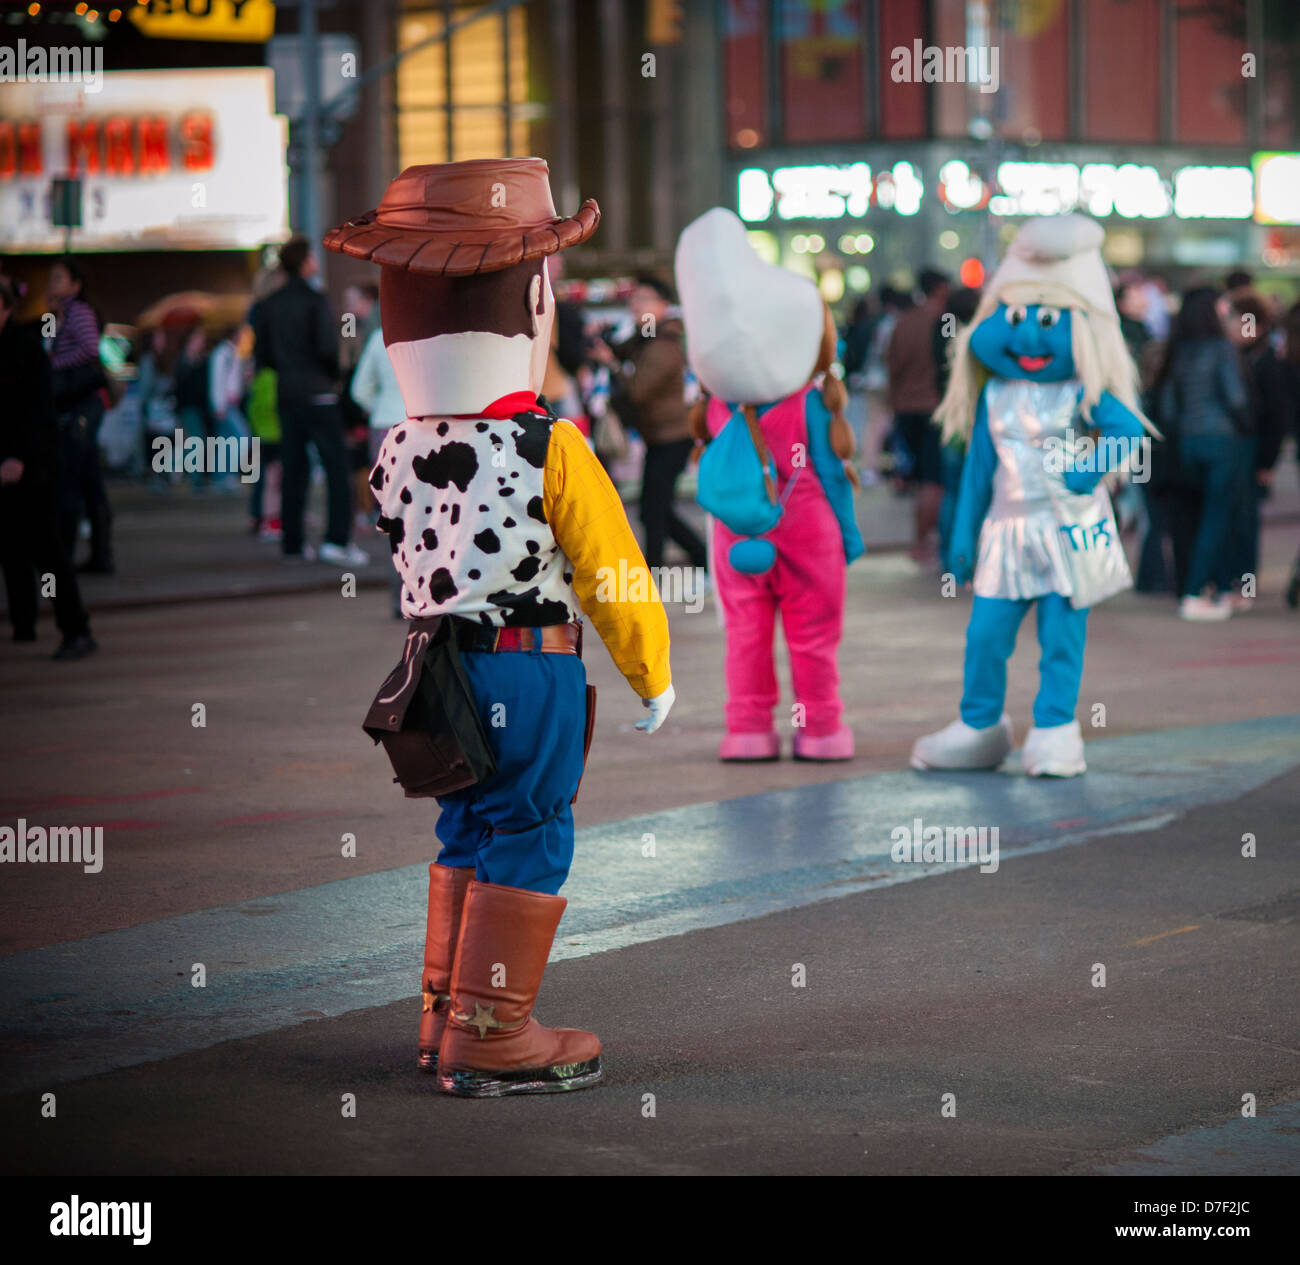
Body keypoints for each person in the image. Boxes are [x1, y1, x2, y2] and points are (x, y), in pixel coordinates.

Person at [325, 156, 674, 1097]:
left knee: (465, 823)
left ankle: (444, 1016)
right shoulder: (548, 443)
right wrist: (653, 673)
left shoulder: (397, 448)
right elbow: (612, 570)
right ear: (535, 306)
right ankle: (494, 1033)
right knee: (530, 824)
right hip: (530, 664)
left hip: (435, 670)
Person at [912, 214, 1152, 778]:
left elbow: (1129, 432)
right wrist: (962, 535)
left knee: (1061, 637)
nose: (1026, 336)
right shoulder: (994, 394)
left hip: (1070, 529)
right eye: (1012, 316)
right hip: (1006, 530)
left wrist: (1088, 470)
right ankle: (979, 724)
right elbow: (977, 470)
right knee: (985, 636)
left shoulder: (1082, 390)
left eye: (1047, 319)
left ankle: (1055, 728)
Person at [678, 208, 863, 762]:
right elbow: (833, 479)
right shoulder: (812, 407)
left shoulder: (716, 411)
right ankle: (820, 730)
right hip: (809, 532)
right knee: (813, 637)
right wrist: (849, 538)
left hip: (737, 537)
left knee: (746, 637)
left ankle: (749, 730)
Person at [251, 234, 367, 567]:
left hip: (286, 393)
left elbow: (264, 355)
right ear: (305, 262)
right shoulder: (317, 300)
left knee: (293, 468)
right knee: (336, 468)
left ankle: (292, 542)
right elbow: (327, 348)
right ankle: (336, 541)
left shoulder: (268, 305)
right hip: (318, 393)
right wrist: (334, 376)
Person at [0, 277, 96, 659]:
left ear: (6, 308)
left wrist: (20, 459)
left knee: (45, 554)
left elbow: (37, 411)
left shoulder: (25, 349)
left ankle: (73, 626)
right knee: (11, 551)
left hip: (31, 469)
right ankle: (24, 623)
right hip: (13, 465)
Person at [596, 275, 708, 574]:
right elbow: (629, 349)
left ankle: (658, 571)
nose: (635, 304)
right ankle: (701, 558)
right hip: (659, 436)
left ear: (663, 305)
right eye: (634, 299)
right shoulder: (649, 335)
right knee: (656, 508)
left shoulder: (664, 346)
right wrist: (606, 341)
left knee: (653, 510)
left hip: (672, 437)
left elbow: (637, 390)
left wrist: (611, 364)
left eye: (644, 299)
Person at [1153, 288, 1250, 621]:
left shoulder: (1178, 351)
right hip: (1220, 440)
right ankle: (1197, 591)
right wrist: (1247, 427)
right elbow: (1235, 397)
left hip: (1188, 444)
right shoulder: (1221, 349)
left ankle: (1218, 588)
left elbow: (1168, 406)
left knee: (1200, 516)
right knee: (1219, 516)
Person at [1226, 293, 1293, 609]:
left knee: (1247, 525)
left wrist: (1267, 461)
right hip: (1238, 451)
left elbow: (1278, 416)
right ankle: (1234, 583)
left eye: (1240, 321)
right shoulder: (1237, 357)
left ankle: (1246, 587)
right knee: (1236, 522)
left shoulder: (1267, 361)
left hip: (1254, 453)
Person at [47, 258, 113, 574]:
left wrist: (56, 365)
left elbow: (89, 350)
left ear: (75, 284)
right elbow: (48, 345)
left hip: (82, 404)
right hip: (73, 405)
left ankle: (69, 554)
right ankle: (99, 554)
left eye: (58, 278)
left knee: (73, 479)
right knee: (88, 479)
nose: (52, 283)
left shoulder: (81, 312)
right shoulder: (60, 314)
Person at [887, 267, 950, 563]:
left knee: (918, 479)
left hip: (905, 409)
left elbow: (893, 367)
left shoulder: (904, 321)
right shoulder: (944, 320)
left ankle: (920, 539)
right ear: (940, 289)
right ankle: (924, 542)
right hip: (934, 408)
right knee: (932, 480)